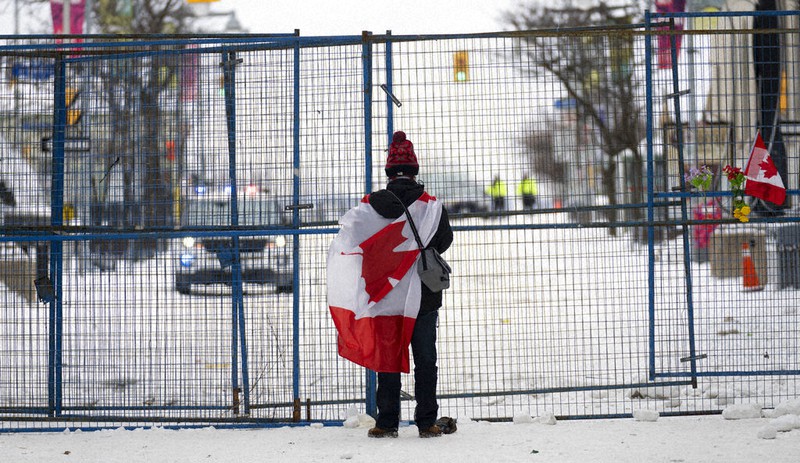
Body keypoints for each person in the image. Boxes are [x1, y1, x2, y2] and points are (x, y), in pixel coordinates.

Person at [326, 131, 453, 439]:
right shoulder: (432, 207)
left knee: (388, 358)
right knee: (425, 359)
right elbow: (444, 241)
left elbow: (351, 238)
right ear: (415, 170)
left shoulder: (369, 208)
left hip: (385, 295)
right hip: (423, 296)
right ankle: (427, 422)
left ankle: (386, 422)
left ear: (388, 172)